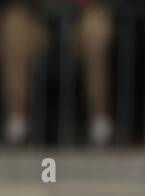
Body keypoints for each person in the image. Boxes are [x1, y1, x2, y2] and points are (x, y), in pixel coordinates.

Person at [1, 0, 115, 147]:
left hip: (83, 16)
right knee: (13, 27)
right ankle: (17, 123)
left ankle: (100, 122)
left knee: (96, 31)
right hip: (36, 17)